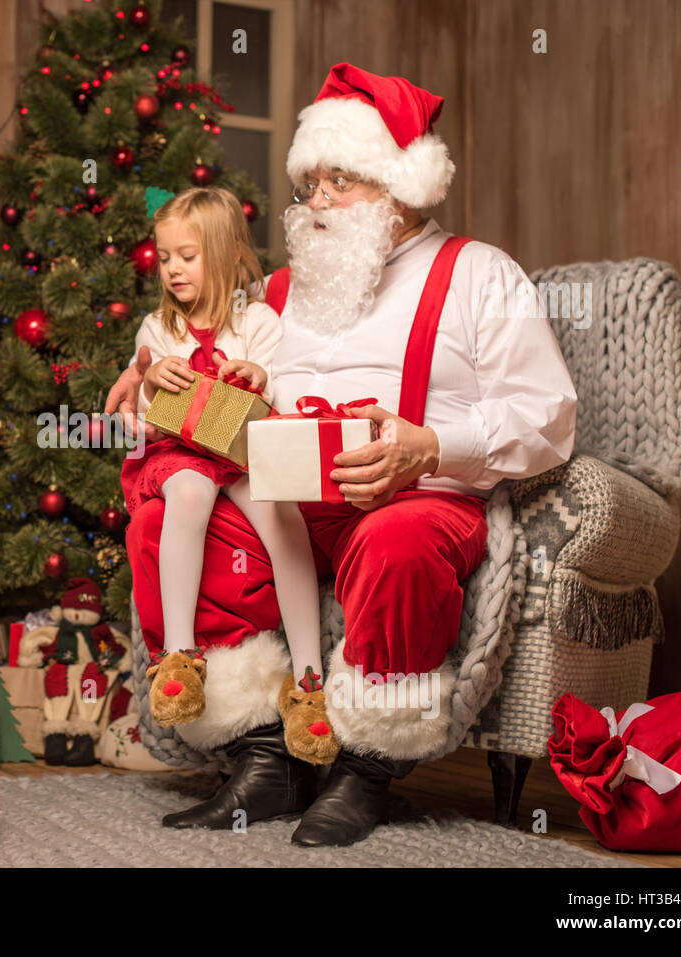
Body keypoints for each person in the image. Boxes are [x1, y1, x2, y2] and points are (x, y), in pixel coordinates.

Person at [106, 63, 577, 846]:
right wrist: (151, 382)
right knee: (171, 513)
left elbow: (549, 415)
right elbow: (210, 380)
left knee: (398, 543)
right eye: (309, 181)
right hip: (284, 501)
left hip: (411, 497)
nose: (317, 200)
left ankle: (366, 765)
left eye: (341, 180)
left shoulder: (478, 274)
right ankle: (263, 755)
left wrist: (428, 446)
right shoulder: (278, 292)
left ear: (398, 186)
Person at [122, 187, 337, 765]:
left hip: (239, 447)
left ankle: (309, 683)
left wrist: (256, 375)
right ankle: (179, 654)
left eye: (186, 257)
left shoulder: (259, 322)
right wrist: (151, 379)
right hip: (178, 450)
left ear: (221, 254)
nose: (172, 270)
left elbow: (280, 395)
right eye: (164, 258)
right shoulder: (156, 330)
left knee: (279, 509)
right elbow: (141, 421)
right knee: (188, 493)